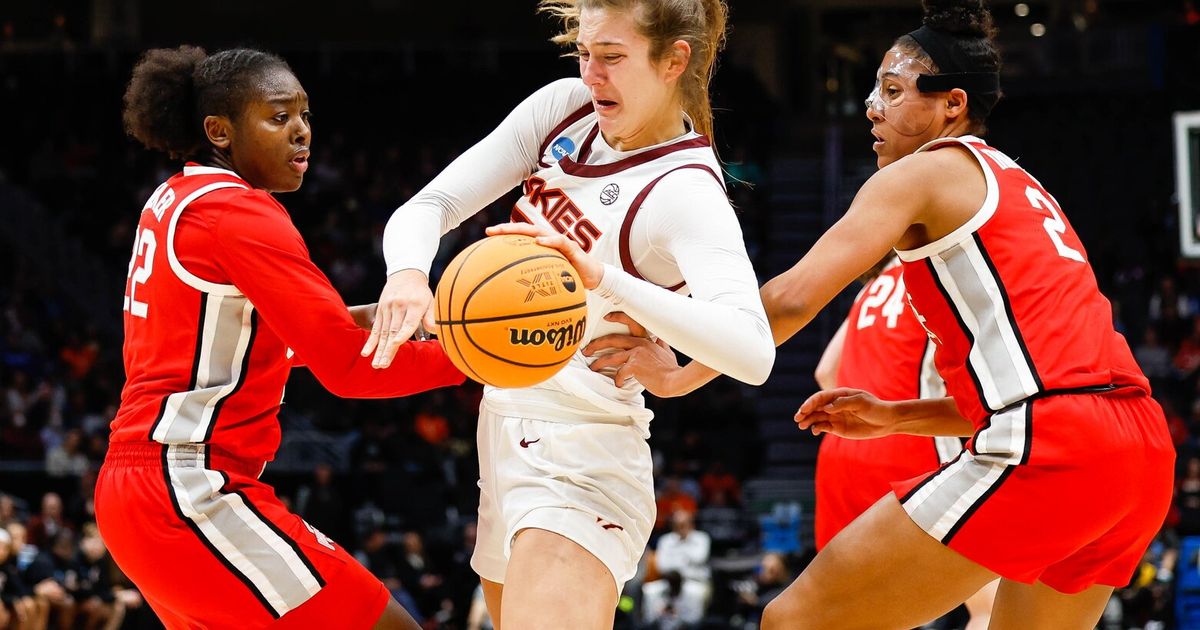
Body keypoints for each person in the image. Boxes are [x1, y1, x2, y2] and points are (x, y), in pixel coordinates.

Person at [587, 0, 1174, 626]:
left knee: (792, 621)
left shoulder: (922, 174)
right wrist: (897, 416)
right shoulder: (1024, 187)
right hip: (1138, 453)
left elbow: (788, 299)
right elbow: (1044, 385)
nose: (872, 106)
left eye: (893, 92)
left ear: (952, 105)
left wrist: (678, 372)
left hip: (1053, 446)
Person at [366, 1, 774, 626]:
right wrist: (408, 276)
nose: (591, 73)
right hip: (501, 429)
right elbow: (433, 204)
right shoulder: (565, 107)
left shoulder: (686, 189)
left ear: (673, 60)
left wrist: (606, 279)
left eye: (612, 58)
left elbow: (753, 350)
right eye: (584, 53)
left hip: (586, 453)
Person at [95, 46, 465, 630]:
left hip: (133, 488)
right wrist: (481, 358)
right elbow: (348, 370)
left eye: (305, 116)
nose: (301, 134)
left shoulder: (173, 199)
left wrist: (353, 319)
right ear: (219, 131)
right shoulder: (240, 214)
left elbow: (215, 341)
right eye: (278, 117)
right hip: (189, 485)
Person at [813, 256, 996, 628]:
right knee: (989, 603)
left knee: (852, 610)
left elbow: (826, 372)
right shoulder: (939, 268)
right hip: (910, 441)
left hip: (841, 452)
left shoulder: (870, 288)